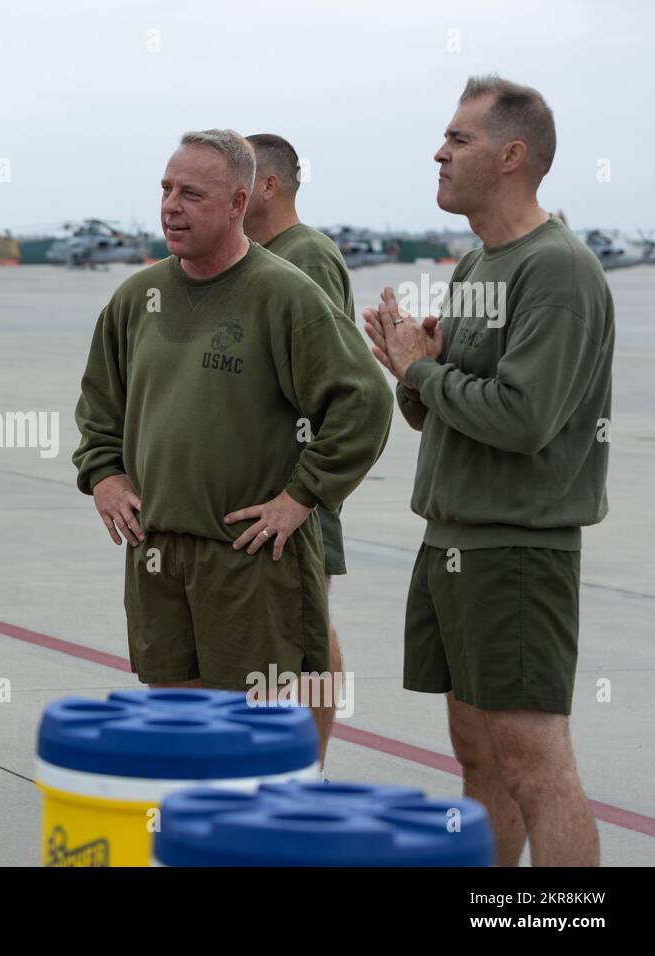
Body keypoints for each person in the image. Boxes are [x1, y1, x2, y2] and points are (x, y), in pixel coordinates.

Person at [363, 76, 612, 866]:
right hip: (454, 541)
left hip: (517, 552)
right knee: (480, 757)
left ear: (511, 157)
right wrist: (412, 372)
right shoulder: (477, 268)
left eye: (458, 140)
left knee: (535, 763)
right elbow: (447, 411)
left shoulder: (556, 270)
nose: (439, 152)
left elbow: (525, 417)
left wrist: (424, 373)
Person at [73, 129, 392, 695]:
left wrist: (302, 497)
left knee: (251, 732)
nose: (171, 206)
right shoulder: (135, 298)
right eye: (166, 189)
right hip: (157, 554)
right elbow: (100, 406)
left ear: (238, 203)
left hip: (248, 558)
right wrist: (104, 475)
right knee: (176, 724)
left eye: (192, 193)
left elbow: (363, 401)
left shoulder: (284, 294)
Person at [244, 132, 358, 767]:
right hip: (266, 485)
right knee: (281, 632)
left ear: (269, 185)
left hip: (295, 487)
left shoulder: (304, 257)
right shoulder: (263, 253)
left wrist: (302, 490)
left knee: (308, 632)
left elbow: (330, 387)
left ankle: (307, 766)